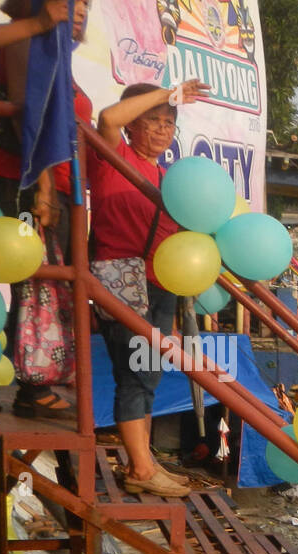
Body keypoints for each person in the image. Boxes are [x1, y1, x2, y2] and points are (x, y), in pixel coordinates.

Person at [91, 78, 211, 498]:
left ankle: (141, 463)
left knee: (148, 376)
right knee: (134, 376)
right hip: (120, 277)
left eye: (169, 123)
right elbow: (107, 118)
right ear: (132, 126)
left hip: (160, 287)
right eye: (152, 121)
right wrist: (169, 92)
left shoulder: (167, 178)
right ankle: (141, 468)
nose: (162, 129)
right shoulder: (113, 155)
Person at [0, 0, 89, 418]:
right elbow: (30, 112)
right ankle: (27, 382)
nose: (80, 12)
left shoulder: (52, 45)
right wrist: (42, 186)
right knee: (28, 277)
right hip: (19, 183)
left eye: (85, 7)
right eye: (72, 4)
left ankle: (28, 380)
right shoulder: (27, 37)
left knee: (39, 281)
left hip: (45, 184)